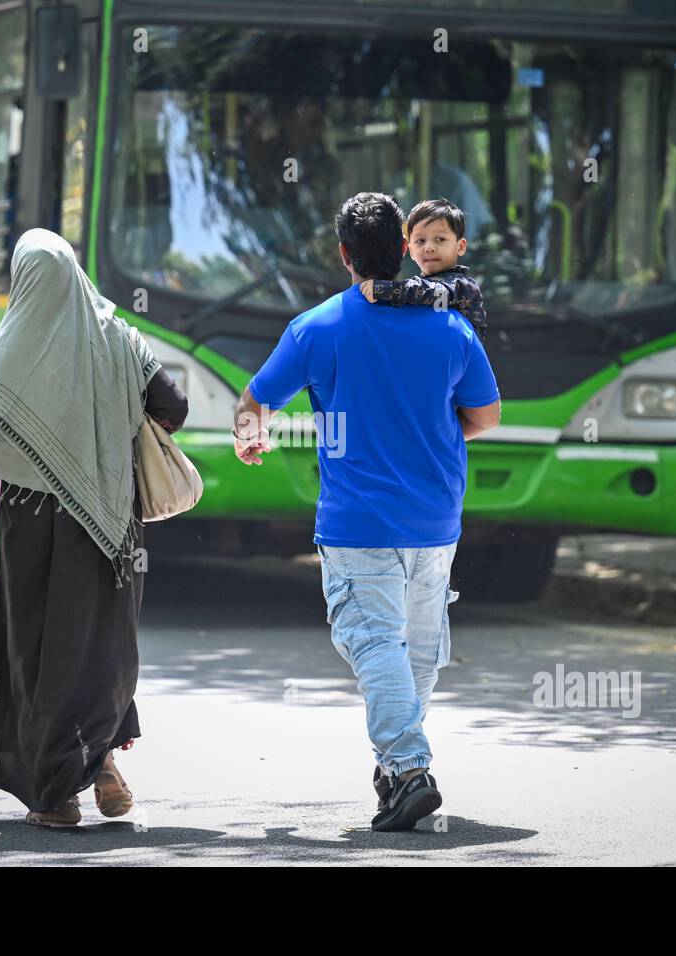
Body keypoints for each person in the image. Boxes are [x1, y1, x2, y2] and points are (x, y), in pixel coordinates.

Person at [232, 192, 501, 831]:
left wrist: (251, 435)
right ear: (404, 249)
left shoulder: (317, 327)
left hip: (358, 525)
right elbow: (485, 417)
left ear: (345, 255)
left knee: (375, 640)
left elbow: (254, 402)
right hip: (436, 518)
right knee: (418, 650)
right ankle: (392, 770)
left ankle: (409, 768)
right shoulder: (452, 325)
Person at [0, 228, 187, 828]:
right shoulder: (117, 333)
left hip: (29, 525)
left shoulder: (12, 344)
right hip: (108, 525)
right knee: (97, 644)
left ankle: (58, 794)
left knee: (34, 650)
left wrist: (37, 454)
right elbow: (175, 408)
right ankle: (99, 758)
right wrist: (104, 427)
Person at [361, 197, 489, 342]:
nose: (428, 248)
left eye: (440, 239)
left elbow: (433, 291)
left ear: (460, 247)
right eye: (420, 241)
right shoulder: (419, 290)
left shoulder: (462, 285)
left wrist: (385, 290)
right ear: (411, 251)